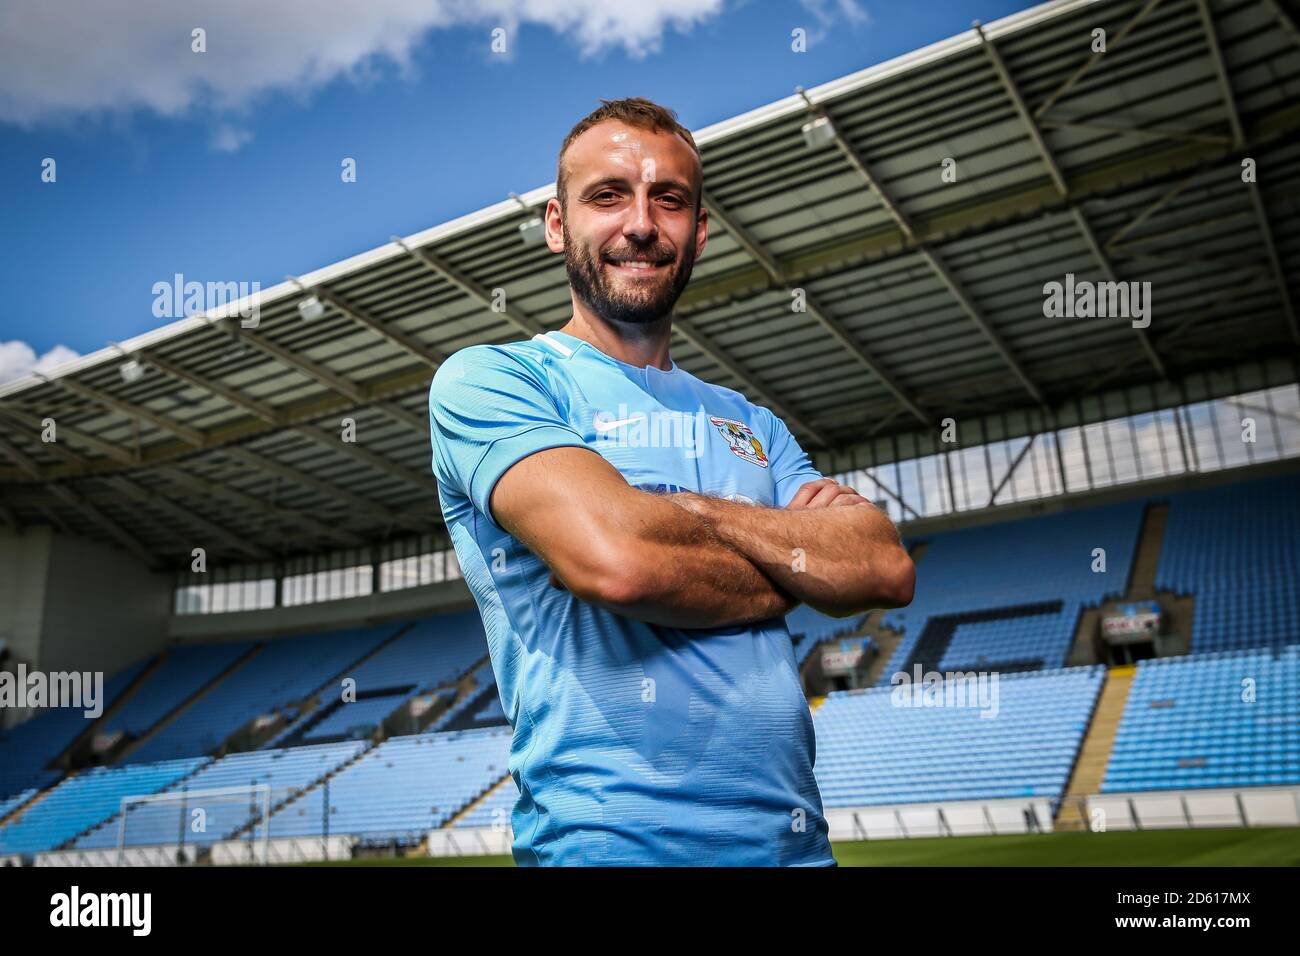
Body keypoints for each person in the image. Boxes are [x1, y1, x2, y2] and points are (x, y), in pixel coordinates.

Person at [429, 97, 914, 865]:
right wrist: (797, 564)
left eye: (671, 200)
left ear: (700, 232)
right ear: (557, 224)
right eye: (608, 195)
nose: (642, 224)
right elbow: (620, 564)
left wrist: (679, 514)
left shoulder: (750, 421)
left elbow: (883, 566)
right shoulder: (494, 380)